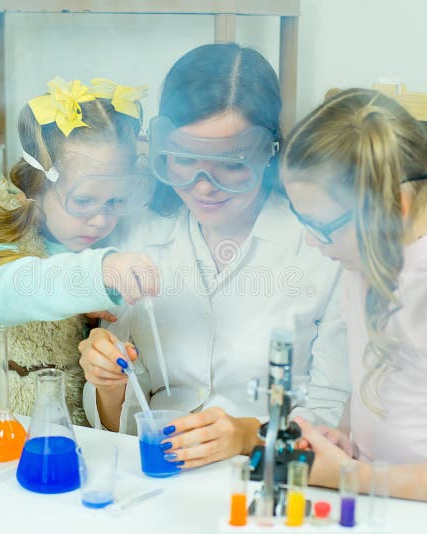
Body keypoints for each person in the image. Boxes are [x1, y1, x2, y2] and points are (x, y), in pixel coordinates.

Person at [78, 44, 350, 468]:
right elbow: (123, 428)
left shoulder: (323, 251)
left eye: (231, 163)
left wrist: (249, 437)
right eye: (185, 159)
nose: (204, 185)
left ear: (269, 153)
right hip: (153, 475)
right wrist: (108, 384)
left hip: (268, 482)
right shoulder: (138, 236)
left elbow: (336, 418)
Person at [281, 88, 427, 502]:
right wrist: (341, 441)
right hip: (380, 504)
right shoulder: (361, 270)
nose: (310, 241)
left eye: (321, 226)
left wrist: (354, 477)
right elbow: (369, 391)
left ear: (393, 207)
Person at [0, 77, 160, 424]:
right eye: (83, 201)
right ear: (39, 182)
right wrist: (98, 274)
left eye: (116, 200)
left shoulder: (106, 240)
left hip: (57, 435)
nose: (101, 220)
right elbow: (4, 293)